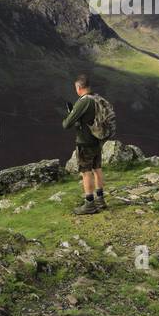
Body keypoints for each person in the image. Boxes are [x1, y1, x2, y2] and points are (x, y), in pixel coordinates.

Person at [62, 73, 107, 215]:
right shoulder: (97, 98)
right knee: (97, 169)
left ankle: (89, 204)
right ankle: (100, 200)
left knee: (86, 172)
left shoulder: (83, 102)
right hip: (97, 139)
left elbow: (66, 124)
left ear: (79, 87)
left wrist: (70, 115)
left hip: (85, 142)